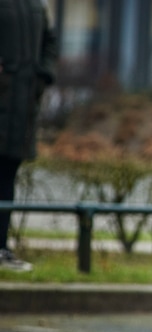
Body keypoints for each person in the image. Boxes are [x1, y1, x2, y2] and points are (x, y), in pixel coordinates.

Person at [0, 0, 58, 272]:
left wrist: (43, 75)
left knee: (7, 178)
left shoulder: (37, 5)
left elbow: (50, 41)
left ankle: (1, 247)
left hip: (21, 108)